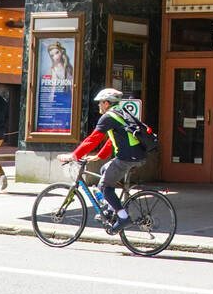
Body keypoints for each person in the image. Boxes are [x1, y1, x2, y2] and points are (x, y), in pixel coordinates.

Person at [56, 88, 147, 233]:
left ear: (106, 103)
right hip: (135, 155)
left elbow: (93, 139)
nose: (99, 105)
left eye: (100, 102)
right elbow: (113, 140)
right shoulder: (120, 113)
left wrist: (74, 156)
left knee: (104, 186)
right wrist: (99, 156)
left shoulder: (108, 117)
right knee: (104, 169)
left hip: (127, 158)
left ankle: (123, 217)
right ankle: (111, 209)